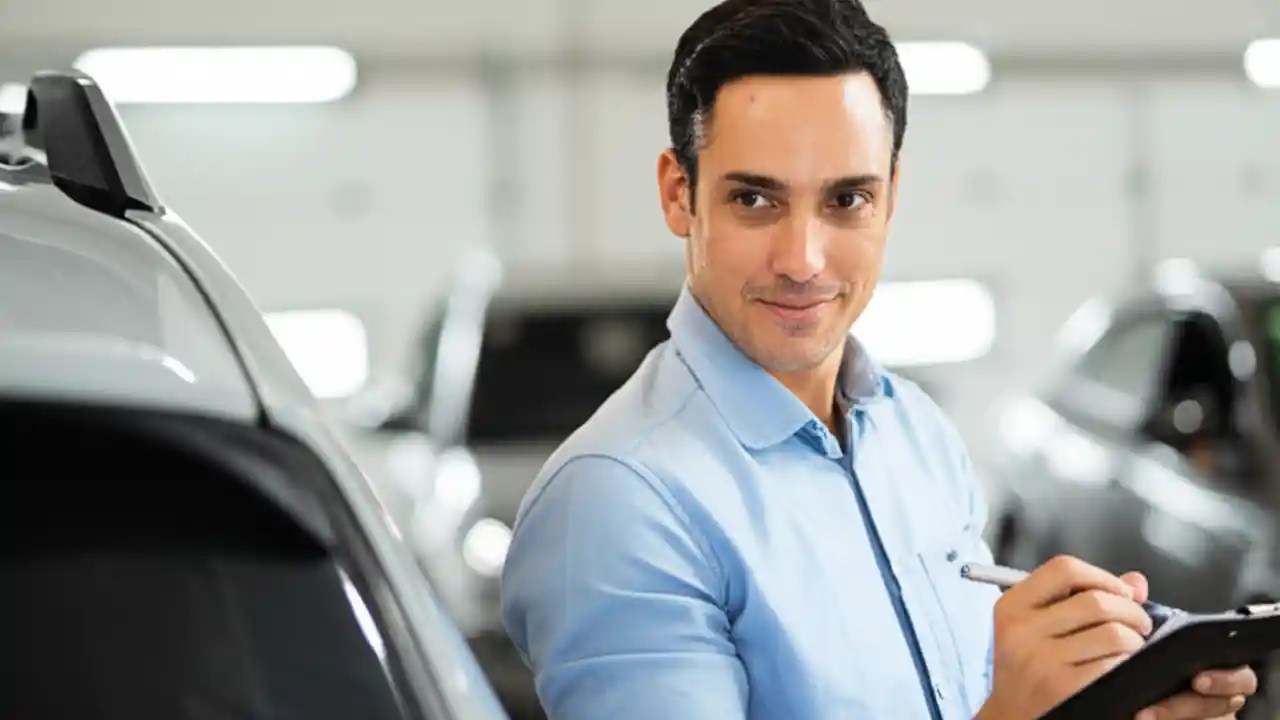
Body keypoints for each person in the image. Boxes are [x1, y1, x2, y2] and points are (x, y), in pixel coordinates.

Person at [499, 1, 1259, 717]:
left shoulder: (916, 435)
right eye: (755, 200)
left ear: (891, 196)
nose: (802, 259)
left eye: (846, 200)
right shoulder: (616, 503)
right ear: (678, 194)